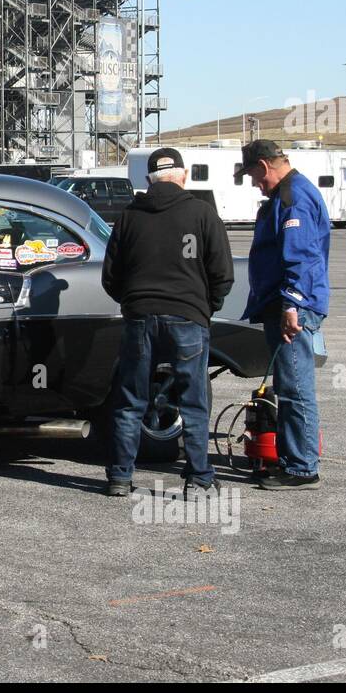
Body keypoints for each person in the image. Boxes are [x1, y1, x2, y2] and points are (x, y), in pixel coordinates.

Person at [102, 147, 235, 498]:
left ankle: (119, 477)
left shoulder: (129, 217)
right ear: (184, 175)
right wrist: (204, 308)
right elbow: (222, 273)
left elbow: (111, 276)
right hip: (188, 319)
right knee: (192, 402)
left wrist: (133, 304)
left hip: (139, 318)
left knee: (131, 399)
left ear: (148, 180)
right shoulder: (202, 214)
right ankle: (199, 479)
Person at [236, 140, 331, 490]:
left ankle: (303, 467)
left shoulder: (294, 199)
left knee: (295, 388)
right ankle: (294, 459)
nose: (253, 183)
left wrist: (292, 304)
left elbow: (301, 255)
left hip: (292, 306)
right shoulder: (286, 196)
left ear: (264, 165)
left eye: (252, 175)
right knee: (290, 386)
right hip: (283, 304)